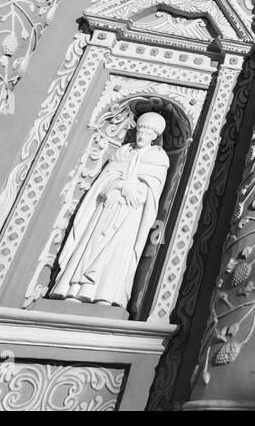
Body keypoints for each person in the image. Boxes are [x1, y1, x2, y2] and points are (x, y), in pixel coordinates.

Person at [49, 111, 170, 309]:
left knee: (117, 252)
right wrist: (120, 186)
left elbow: (153, 190)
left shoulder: (159, 158)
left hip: (131, 213)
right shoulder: (122, 152)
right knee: (91, 245)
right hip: (107, 207)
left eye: (147, 134)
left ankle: (106, 294)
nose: (141, 136)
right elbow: (103, 181)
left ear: (154, 137)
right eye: (139, 131)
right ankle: (73, 289)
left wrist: (137, 190)